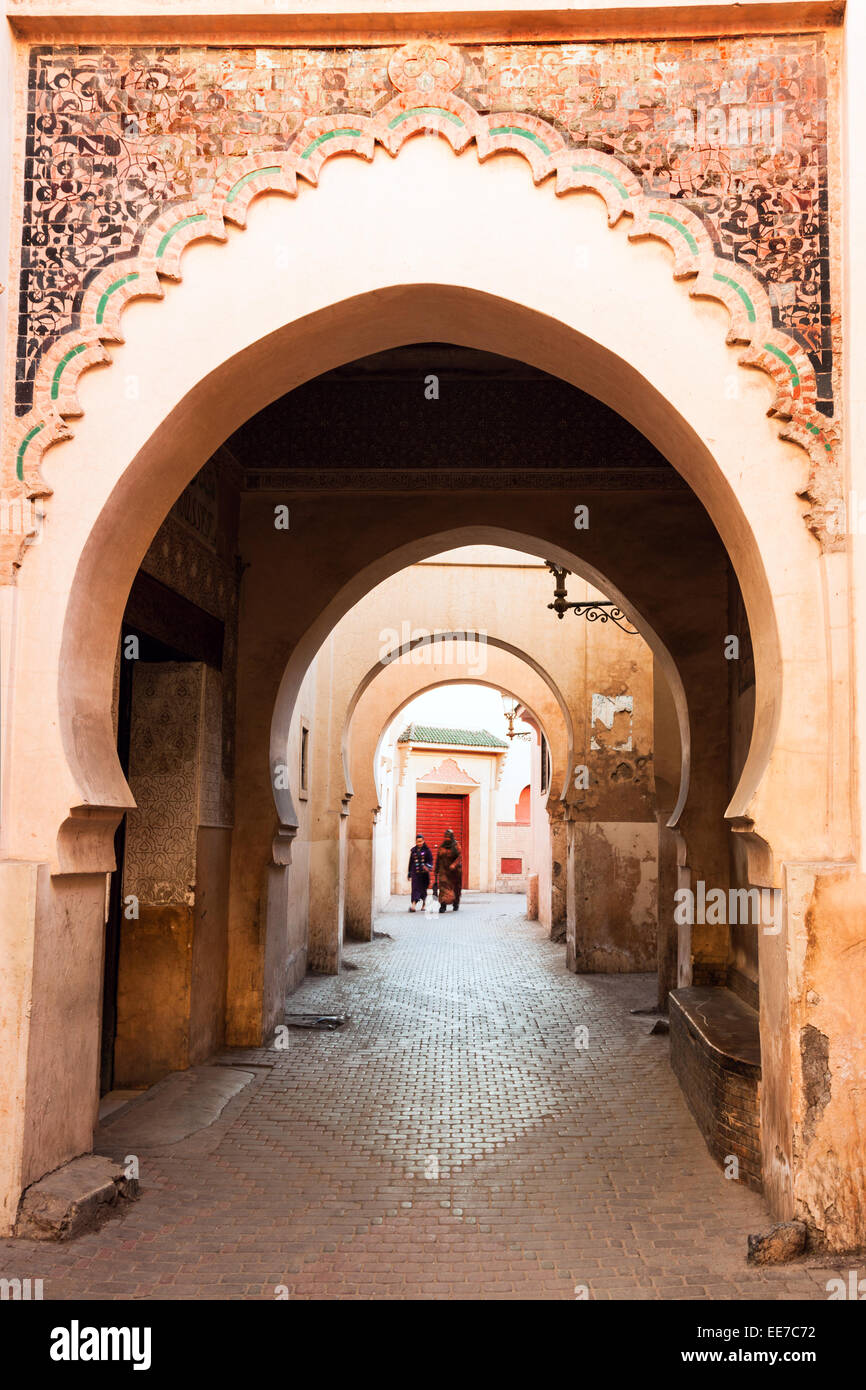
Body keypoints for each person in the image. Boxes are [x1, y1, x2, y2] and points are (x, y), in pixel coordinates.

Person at [435, 829, 462, 913]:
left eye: (448, 837)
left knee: (455, 889)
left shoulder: (456, 845)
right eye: (445, 837)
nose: (447, 839)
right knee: (443, 888)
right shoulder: (442, 846)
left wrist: (454, 865)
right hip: (444, 871)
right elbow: (438, 858)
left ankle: (455, 903)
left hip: (455, 872)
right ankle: (443, 906)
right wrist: (436, 869)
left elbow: (459, 857)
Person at [407, 833, 433, 912]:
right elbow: (411, 862)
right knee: (415, 889)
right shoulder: (413, 851)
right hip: (415, 873)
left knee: (423, 890)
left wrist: (427, 866)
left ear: (423, 841)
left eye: (421, 841)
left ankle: (424, 905)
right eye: (418, 841)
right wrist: (409, 873)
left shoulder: (427, 851)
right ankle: (413, 906)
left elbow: (430, 861)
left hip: (424, 874)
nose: (419, 843)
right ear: (416, 841)